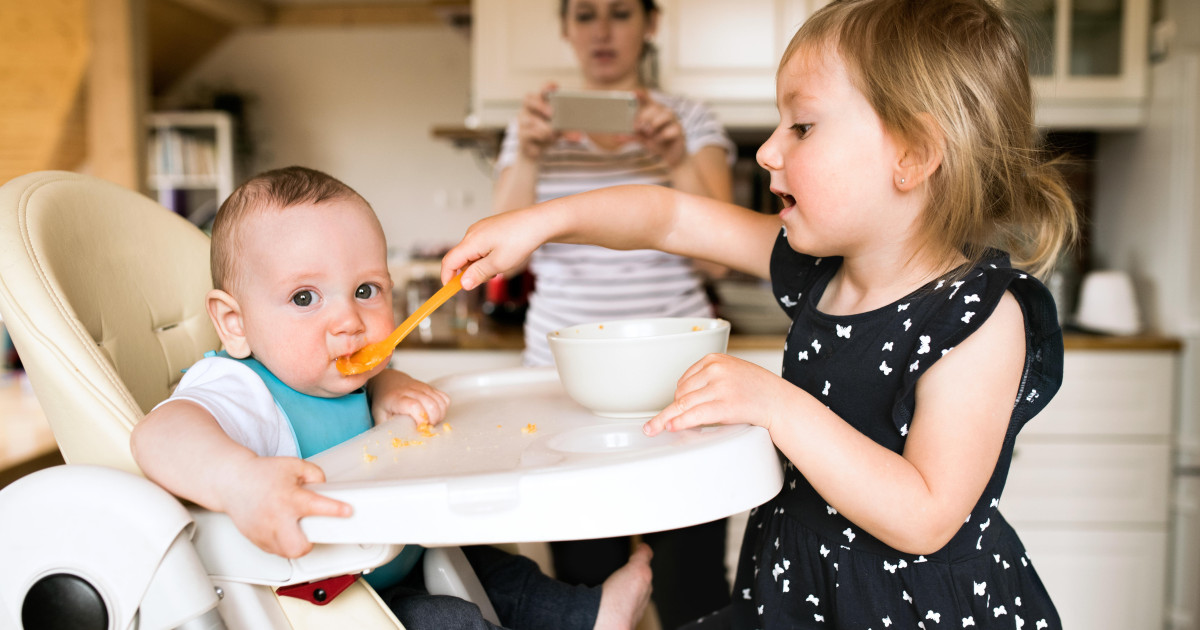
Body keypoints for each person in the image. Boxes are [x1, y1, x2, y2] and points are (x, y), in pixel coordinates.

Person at [442, 0, 1079, 626]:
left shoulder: (981, 316)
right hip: (798, 593)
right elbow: (672, 216)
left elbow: (926, 516)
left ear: (912, 154)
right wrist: (544, 221)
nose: (768, 152)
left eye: (801, 127)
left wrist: (773, 404)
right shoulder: (819, 273)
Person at [130, 166, 653, 630]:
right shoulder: (241, 387)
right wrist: (238, 481)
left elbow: (356, 391)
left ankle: (587, 617)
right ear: (235, 323)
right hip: (320, 603)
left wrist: (387, 384)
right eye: (304, 298)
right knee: (447, 620)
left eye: (365, 290)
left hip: (390, 563)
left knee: (491, 564)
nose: (349, 321)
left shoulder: (344, 376)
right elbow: (160, 435)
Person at [491, 1, 736, 623]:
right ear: (566, 28)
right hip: (561, 379)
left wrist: (677, 158)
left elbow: (721, 263)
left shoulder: (689, 120)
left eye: (621, 12)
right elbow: (503, 263)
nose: (602, 30)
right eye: (586, 14)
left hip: (677, 380)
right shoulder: (534, 127)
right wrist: (529, 157)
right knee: (586, 588)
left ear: (650, 24)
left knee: (692, 585)